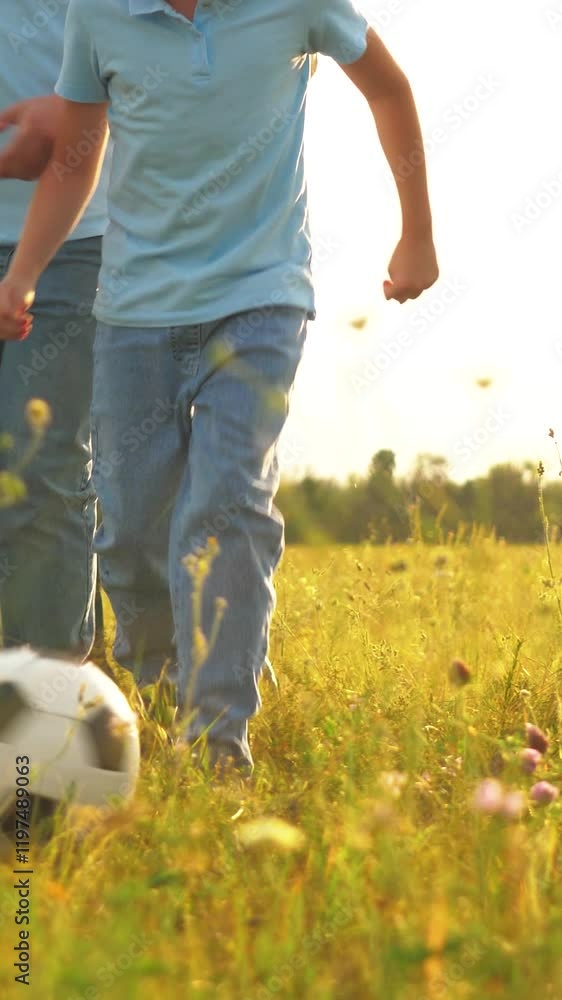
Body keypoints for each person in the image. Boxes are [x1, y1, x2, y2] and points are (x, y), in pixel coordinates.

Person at [0, 0, 439, 771]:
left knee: (225, 506)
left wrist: (417, 232)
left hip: (260, 300)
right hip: (133, 310)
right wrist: (26, 273)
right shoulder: (100, 15)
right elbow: (76, 154)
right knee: (131, 531)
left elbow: (388, 86)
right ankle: (158, 693)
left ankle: (217, 743)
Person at [0, 6, 108, 655]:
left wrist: (83, 112)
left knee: (40, 468)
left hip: (75, 236)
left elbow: (181, 49)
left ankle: (48, 696)